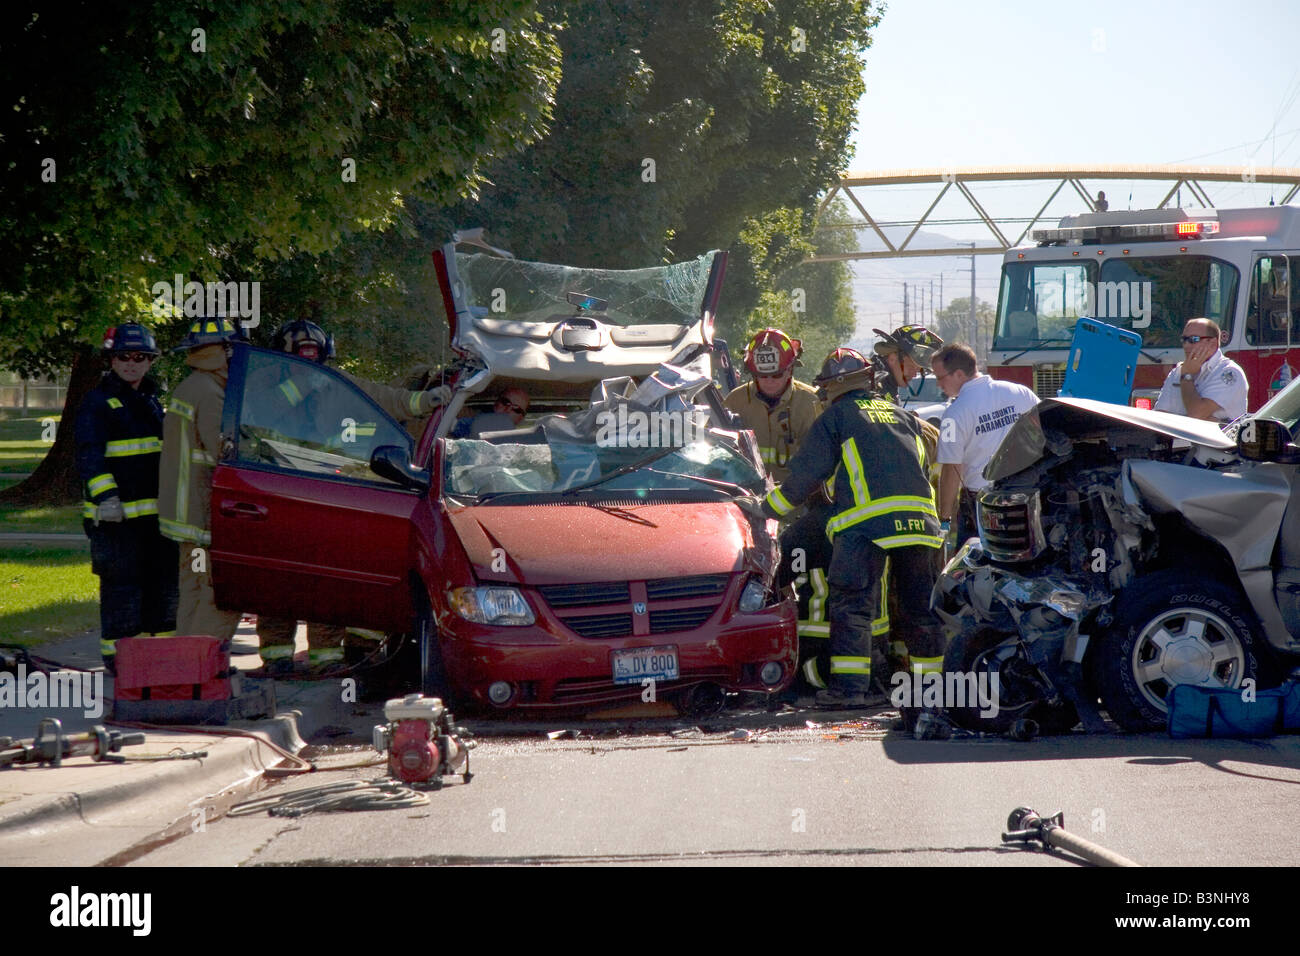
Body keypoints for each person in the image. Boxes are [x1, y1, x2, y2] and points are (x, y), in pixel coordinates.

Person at [760, 346, 946, 724]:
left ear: (832, 388)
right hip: (921, 523)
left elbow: (806, 476)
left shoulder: (836, 418)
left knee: (852, 606)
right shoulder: (903, 416)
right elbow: (922, 468)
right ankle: (932, 694)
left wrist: (765, 512)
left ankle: (850, 691)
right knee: (921, 612)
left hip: (865, 524)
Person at [254, 318, 451, 675]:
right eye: (301, 356)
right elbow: (263, 413)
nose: (309, 362)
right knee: (279, 579)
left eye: (314, 355)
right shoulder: (266, 386)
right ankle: (276, 658)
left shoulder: (335, 385)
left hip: (326, 495)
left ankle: (327, 662)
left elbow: (383, 398)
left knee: (326, 579)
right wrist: (301, 386)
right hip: (280, 492)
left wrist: (424, 400)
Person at [75, 323, 178, 672]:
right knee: (122, 592)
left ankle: (159, 659)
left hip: (153, 520)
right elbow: (90, 455)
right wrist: (106, 498)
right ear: (111, 359)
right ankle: (120, 661)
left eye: (139, 357)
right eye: (123, 357)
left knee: (162, 589)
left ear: (150, 362)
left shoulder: (151, 400)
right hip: (115, 521)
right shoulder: (97, 402)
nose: (131, 364)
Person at [158, 316, 243, 641]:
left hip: (182, 514)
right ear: (224, 350)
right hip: (199, 512)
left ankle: (186, 657)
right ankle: (202, 658)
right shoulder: (210, 393)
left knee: (192, 586)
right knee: (212, 588)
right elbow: (224, 451)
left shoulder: (192, 385)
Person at [932, 343, 1039, 548]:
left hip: (982, 506)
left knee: (975, 568)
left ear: (959, 375)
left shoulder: (954, 415)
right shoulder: (1020, 393)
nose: (938, 385)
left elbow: (952, 470)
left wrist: (944, 520)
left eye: (939, 377)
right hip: (1028, 496)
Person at [723, 328, 821, 484]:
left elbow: (823, 461)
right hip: (745, 497)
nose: (769, 381)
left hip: (797, 502)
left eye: (776, 374)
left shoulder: (812, 402)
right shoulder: (735, 401)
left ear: (790, 370)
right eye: (762, 375)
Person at [1153, 318, 1247, 422]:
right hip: (1179, 438)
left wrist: (1187, 376)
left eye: (1194, 339)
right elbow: (1160, 418)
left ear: (1212, 343)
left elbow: (1196, 414)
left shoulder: (1229, 372)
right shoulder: (1178, 372)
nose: (1186, 345)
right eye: (1184, 340)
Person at [871, 324, 945, 404]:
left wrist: (905, 416)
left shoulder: (886, 385)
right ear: (892, 358)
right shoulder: (870, 384)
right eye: (911, 367)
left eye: (918, 370)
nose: (914, 375)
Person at [458, 387, 531, 438]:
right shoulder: (469, 417)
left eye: (516, 409)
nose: (507, 410)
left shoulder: (520, 444)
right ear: (496, 403)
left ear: (521, 418)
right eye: (505, 402)